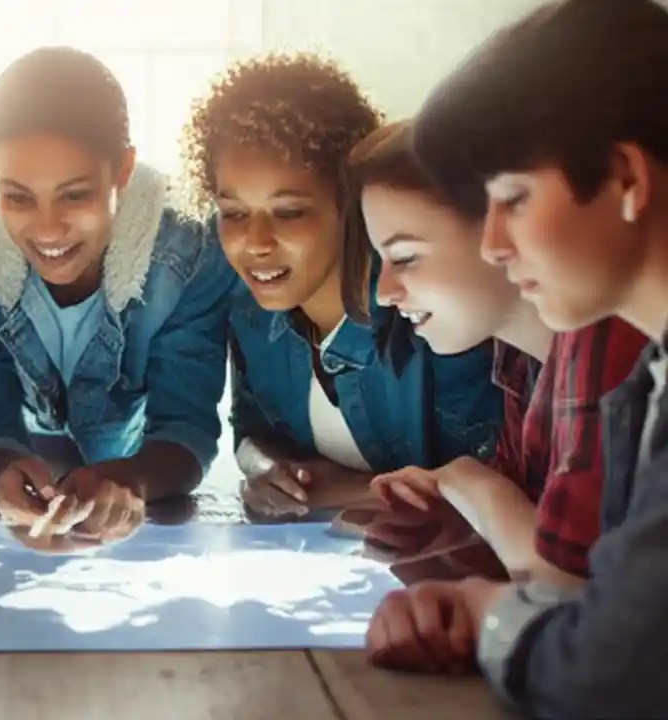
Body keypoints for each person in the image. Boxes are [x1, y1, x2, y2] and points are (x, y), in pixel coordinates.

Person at [363, 1, 668, 716]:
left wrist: (484, 613)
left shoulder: (615, 359)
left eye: (515, 199)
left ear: (625, 178)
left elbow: (610, 667)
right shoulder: (649, 386)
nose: (495, 245)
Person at [0, 47, 233, 549]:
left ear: (124, 169)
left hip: (133, 462)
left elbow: (185, 431)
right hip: (33, 456)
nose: (48, 229)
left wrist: (132, 479)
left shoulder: (186, 246)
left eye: (75, 195)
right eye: (18, 196)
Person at [177, 53, 503, 522]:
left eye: (289, 213)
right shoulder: (249, 309)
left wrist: (350, 491)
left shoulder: (426, 310)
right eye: (234, 214)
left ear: (348, 203)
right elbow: (249, 427)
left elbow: (497, 478)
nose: (255, 243)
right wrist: (266, 467)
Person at [345, 121, 646, 586]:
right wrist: (460, 506)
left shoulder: (606, 337)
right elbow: (522, 515)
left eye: (405, 257)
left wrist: (470, 482)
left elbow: (560, 588)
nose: (384, 293)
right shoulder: (517, 360)